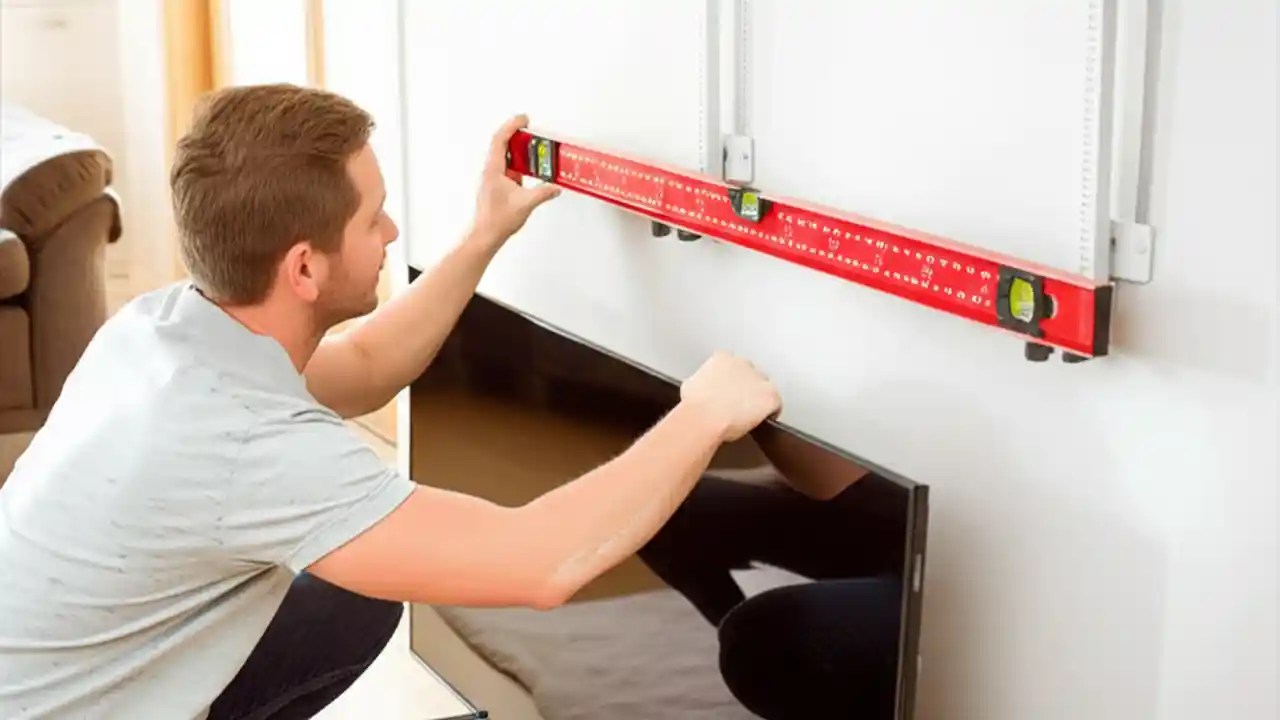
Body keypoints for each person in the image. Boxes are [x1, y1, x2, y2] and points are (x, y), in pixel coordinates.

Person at [0, 83, 781, 719]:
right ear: (303, 268)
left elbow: (368, 363)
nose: (391, 230)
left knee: (362, 585)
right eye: (372, 217)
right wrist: (703, 415)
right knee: (374, 569)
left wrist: (482, 236)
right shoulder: (246, 443)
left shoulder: (163, 329)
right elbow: (543, 563)